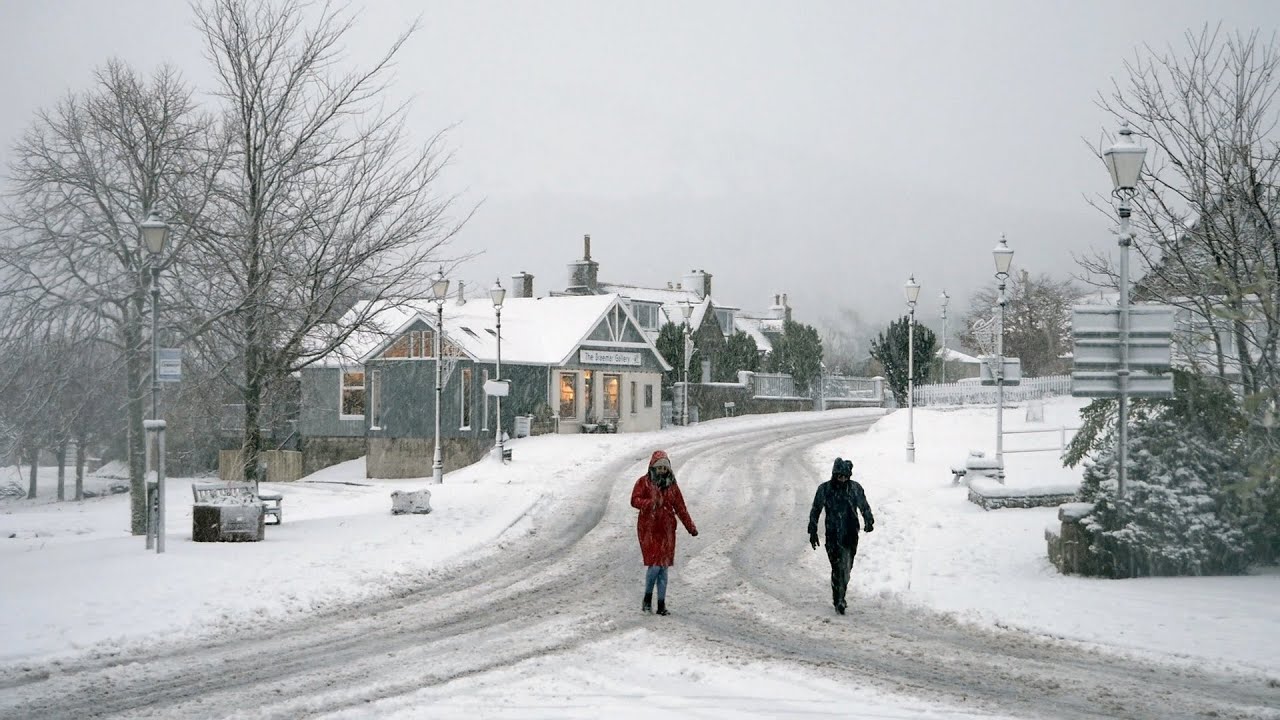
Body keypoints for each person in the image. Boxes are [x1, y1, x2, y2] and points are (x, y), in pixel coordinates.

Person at [630, 449, 698, 615]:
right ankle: (647, 599)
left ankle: (661, 604)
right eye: (659, 467)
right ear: (652, 467)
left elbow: (681, 508)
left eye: (664, 468)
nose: (662, 471)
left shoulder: (672, 485)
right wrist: (650, 503)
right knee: (654, 566)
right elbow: (634, 500)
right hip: (649, 529)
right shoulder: (643, 482)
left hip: (667, 531)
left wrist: (691, 527)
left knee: (663, 568)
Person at [807, 457, 874, 615]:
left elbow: (864, 505)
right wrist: (813, 531)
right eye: (839, 476)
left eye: (845, 476)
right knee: (838, 567)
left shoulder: (855, 488)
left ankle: (840, 594)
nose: (842, 479)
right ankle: (839, 600)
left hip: (851, 534)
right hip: (833, 534)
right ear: (834, 475)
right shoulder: (824, 489)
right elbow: (816, 510)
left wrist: (869, 520)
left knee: (847, 568)